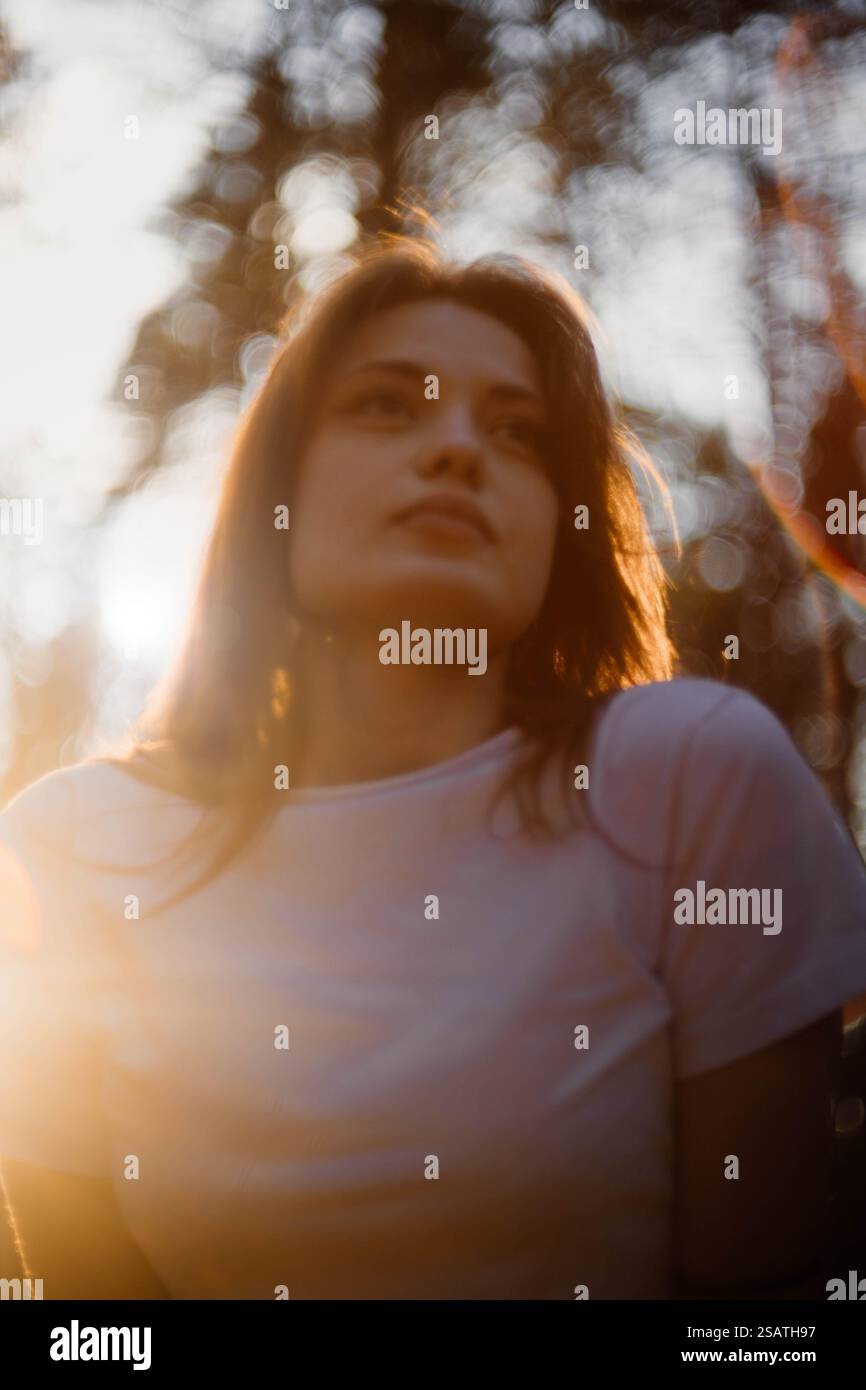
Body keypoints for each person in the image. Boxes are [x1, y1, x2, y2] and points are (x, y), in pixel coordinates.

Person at [2, 240, 866, 1301]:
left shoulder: (690, 775)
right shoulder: (70, 847)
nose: (458, 448)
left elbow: (755, 1319)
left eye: (518, 432)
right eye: (385, 405)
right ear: (277, 485)